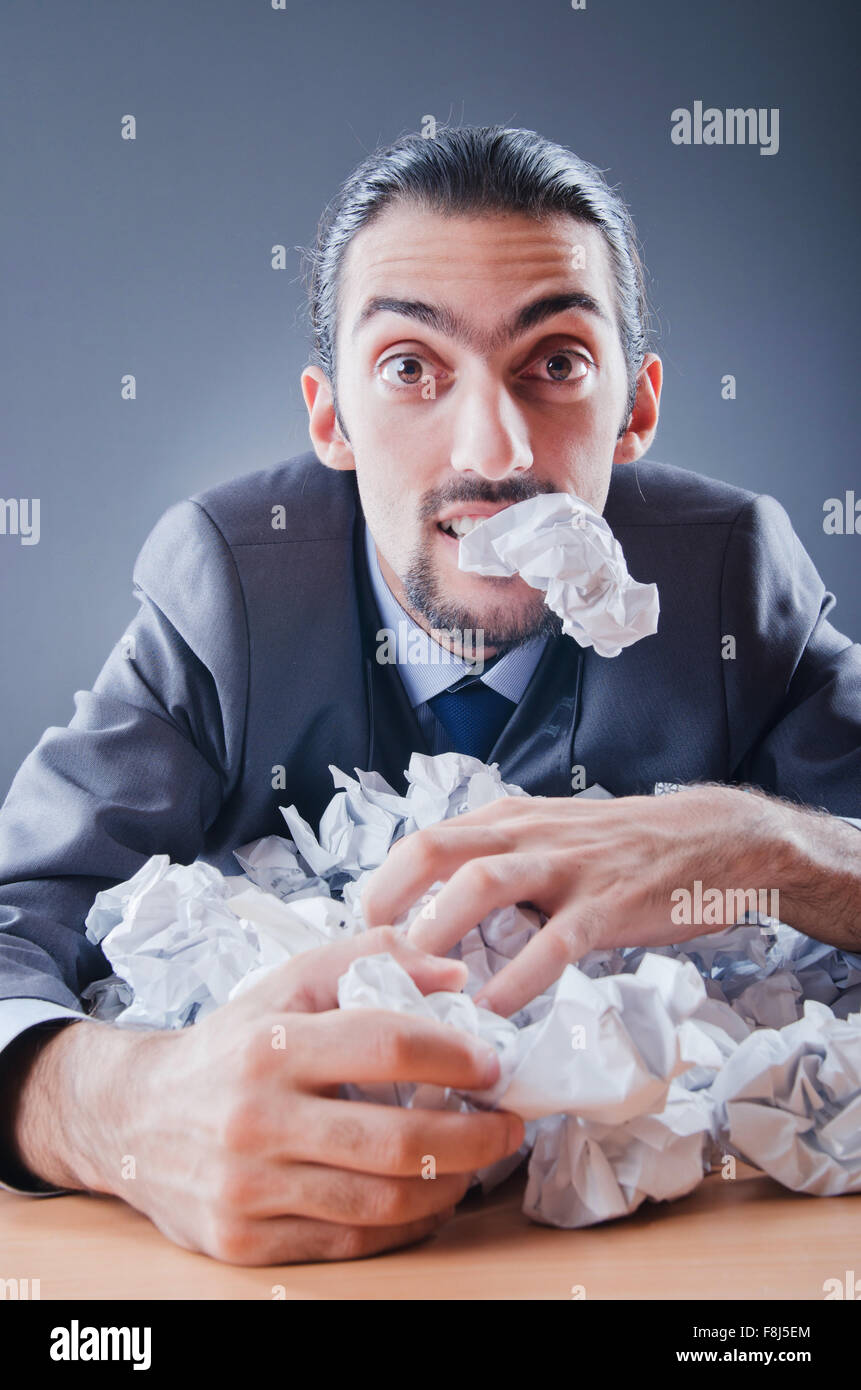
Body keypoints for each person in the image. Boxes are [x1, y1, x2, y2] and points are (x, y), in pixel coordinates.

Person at [0, 126, 859, 1267]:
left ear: (637, 409)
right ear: (332, 418)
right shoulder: (227, 587)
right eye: (412, 366)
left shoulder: (733, 578)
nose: (493, 448)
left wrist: (752, 847)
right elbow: (20, 913)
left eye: (555, 363)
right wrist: (109, 1112)